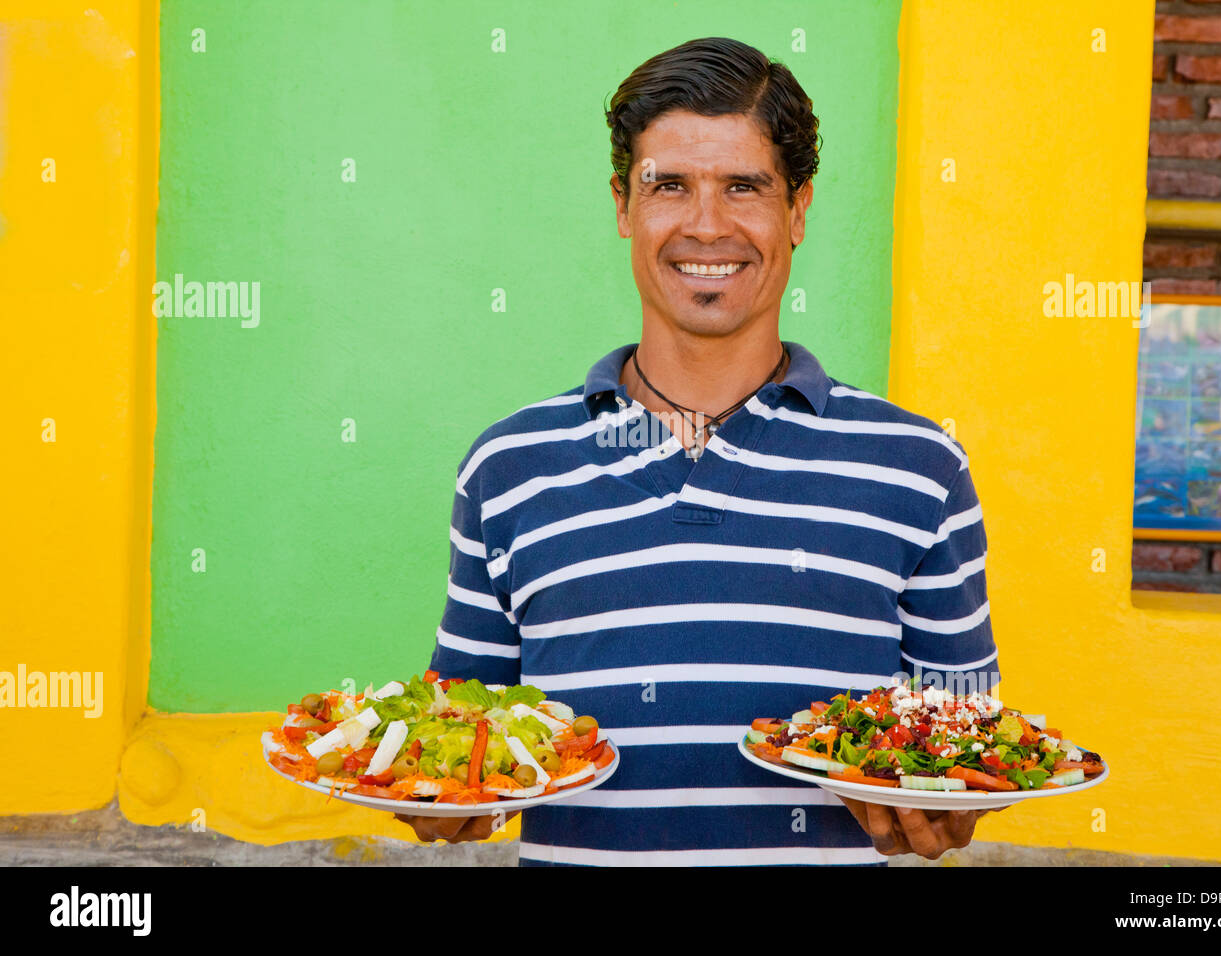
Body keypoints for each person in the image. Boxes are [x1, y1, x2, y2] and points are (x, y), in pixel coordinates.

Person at [398, 36, 1000, 865]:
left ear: (797, 209)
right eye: (668, 186)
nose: (706, 224)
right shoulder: (508, 468)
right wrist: (445, 799)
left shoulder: (919, 466)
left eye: (744, 187)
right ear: (623, 206)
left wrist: (943, 805)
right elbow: (460, 731)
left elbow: (968, 733)